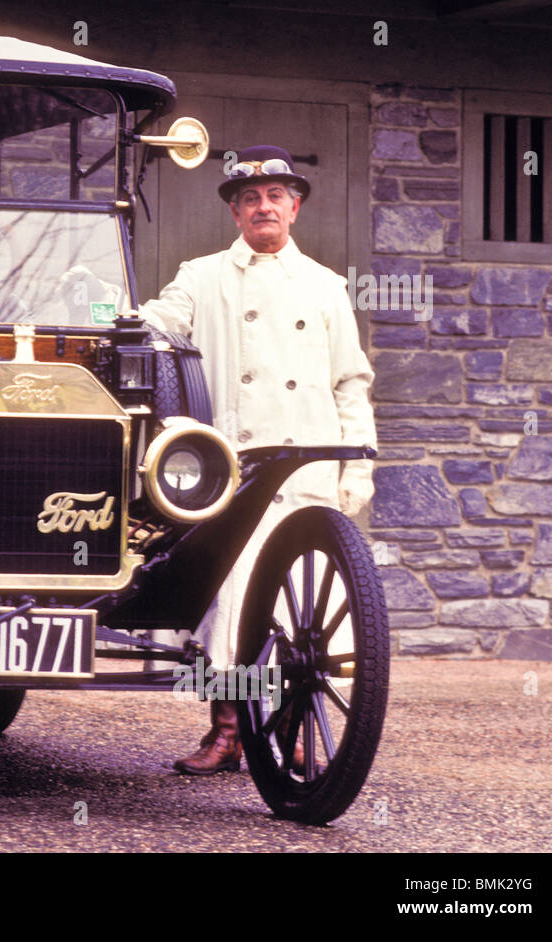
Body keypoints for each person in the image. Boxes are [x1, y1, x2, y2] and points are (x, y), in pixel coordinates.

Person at [139, 146, 376, 775]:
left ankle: (288, 728)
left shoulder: (326, 287)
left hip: (304, 469)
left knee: (297, 612)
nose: (263, 206)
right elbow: (157, 325)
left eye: (275, 196)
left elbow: (351, 380)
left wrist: (359, 464)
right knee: (229, 599)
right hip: (234, 471)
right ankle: (226, 731)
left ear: (294, 207)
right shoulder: (202, 274)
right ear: (237, 212)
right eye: (250, 198)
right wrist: (106, 312)